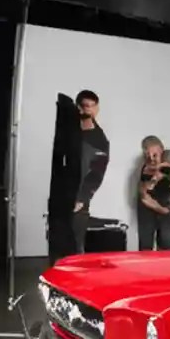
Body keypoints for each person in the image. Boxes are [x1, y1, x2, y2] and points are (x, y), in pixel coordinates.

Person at [46, 89, 109, 264]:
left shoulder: (99, 139)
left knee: (74, 247)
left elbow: (97, 172)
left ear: (96, 109)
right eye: (83, 106)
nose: (87, 110)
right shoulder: (68, 132)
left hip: (78, 203)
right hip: (59, 196)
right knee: (56, 245)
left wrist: (82, 198)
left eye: (91, 106)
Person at [136, 136, 170, 251]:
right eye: (148, 155)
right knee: (145, 248)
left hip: (167, 208)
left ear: (162, 150)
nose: (151, 158)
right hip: (149, 209)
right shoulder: (146, 169)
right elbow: (144, 198)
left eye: (155, 154)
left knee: (166, 248)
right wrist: (162, 210)